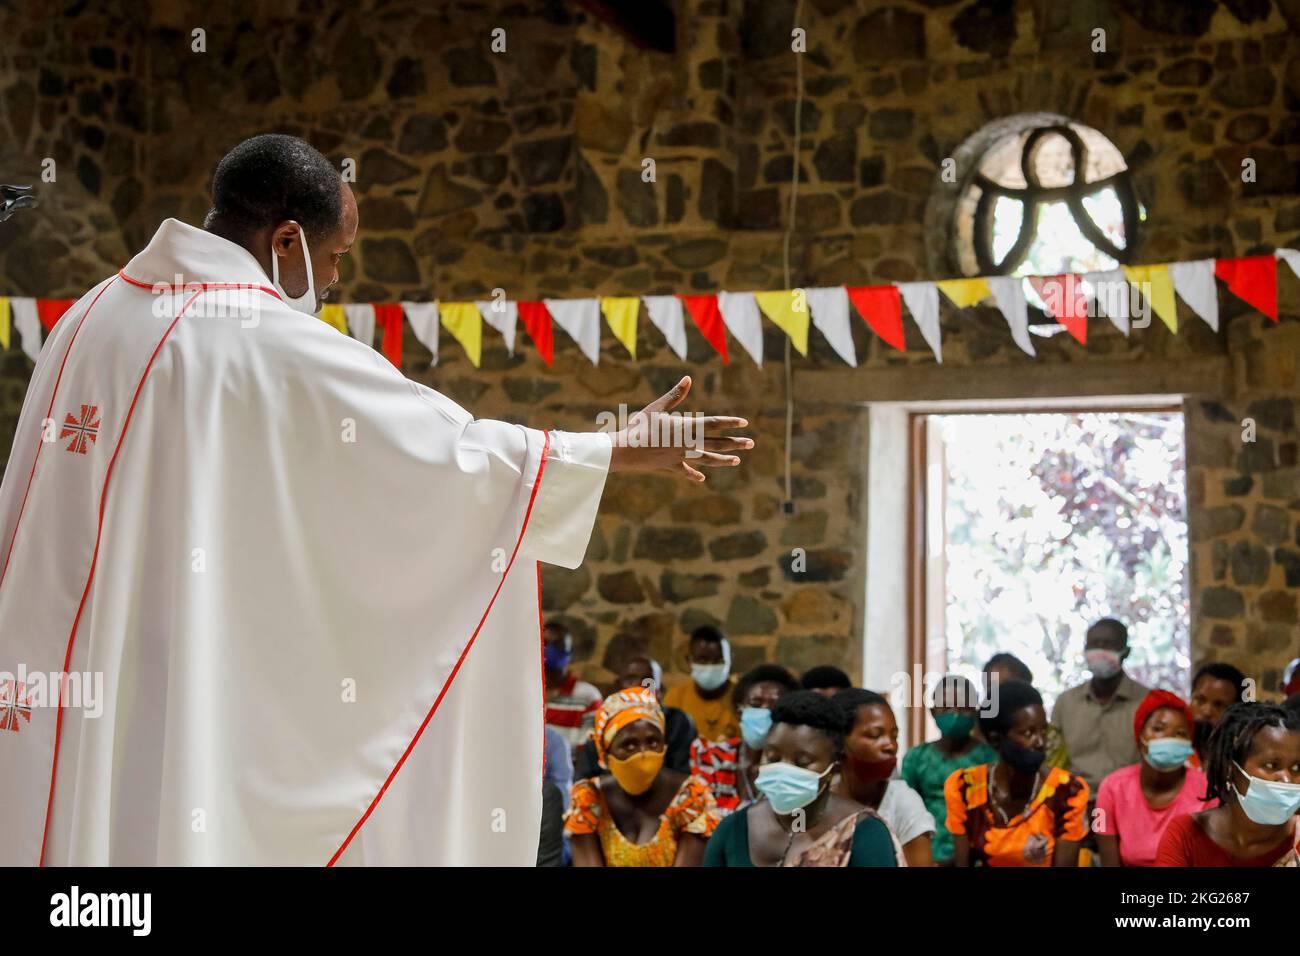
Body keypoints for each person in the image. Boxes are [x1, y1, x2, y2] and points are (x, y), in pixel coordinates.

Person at [0, 134, 753, 866]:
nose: (331, 285)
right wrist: (615, 449)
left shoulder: (89, 316)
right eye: (333, 259)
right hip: (163, 675)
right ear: (287, 241)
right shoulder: (261, 338)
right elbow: (446, 457)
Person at [703, 691, 898, 867]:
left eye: (802, 762)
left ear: (835, 763)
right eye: (773, 758)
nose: (784, 768)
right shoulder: (733, 830)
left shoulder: (864, 835)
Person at [565, 688, 719, 867]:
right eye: (629, 745)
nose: (643, 753)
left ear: (664, 746)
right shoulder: (589, 799)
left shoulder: (691, 798)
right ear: (606, 754)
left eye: (653, 742)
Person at [947, 680, 1089, 867]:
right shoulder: (965, 787)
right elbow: (962, 864)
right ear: (996, 739)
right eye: (1028, 733)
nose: (1040, 742)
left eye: (1043, 731)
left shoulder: (1067, 791)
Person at [1155, 702, 1300, 867]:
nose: (1286, 779)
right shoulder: (1185, 836)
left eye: (1296, 768)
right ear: (1230, 768)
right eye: (1271, 766)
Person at [1094, 689, 1215, 867]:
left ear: (1190, 743)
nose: (1168, 738)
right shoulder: (1112, 788)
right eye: (1158, 729)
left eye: (1180, 733)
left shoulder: (1208, 790)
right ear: (1140, 735)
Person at [901, 675, 998, 865]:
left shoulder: (990, 759)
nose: (954, 714)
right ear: (933, 711)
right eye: (946, 708)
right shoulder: (916, 758)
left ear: (975, 712)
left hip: (978, 856)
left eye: (963, 708)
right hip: (926, 856)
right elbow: (906, 814)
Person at [833, 688, 935, 866]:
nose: (890, 745)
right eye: (875, 735)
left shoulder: (902, 802)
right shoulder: (819, 797)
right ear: (840, 740)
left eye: (894, 736)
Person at [1049, 618, 1150, 796]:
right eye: (1095, 644)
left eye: (1108, 644)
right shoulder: (1066, 703)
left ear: (1125, 652)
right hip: (1076, 802)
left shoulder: (1146, 702)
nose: (1100, 650)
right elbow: (1053, 758)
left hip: (1130, 799)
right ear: (1086, 650)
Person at [690, 664, 799, 814]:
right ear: (739, 710)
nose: (764, 711)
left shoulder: (796, 770)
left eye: (775, 706)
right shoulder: (711, 757)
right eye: (756, 704)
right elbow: (696, 817)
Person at [574, 653, 696, 778]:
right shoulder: (604, 723)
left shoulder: (679, 723)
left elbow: (683, 777)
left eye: (648, 682)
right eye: (631, 680)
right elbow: (584, 780)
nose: (639, 686)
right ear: (617, 687)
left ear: (660, 691)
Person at [663, 625, 739, 741]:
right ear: (689, 661)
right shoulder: (674, 699)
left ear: (731, 660)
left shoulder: (742, 697)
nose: (710, 665)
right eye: (703, 660)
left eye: (718, 660)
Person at [544, 621, 603, 753]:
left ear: (570, 653)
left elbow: (590, 749)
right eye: (545, 644)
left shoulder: (589, 697)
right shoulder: (525, 694)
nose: (550, 650)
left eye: (557, 645)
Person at [1189, 661, 1248, 764]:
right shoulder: (1173, 751)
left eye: (1219, 705)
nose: (1207, 712)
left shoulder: (1240, 761)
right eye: (1200, 700)